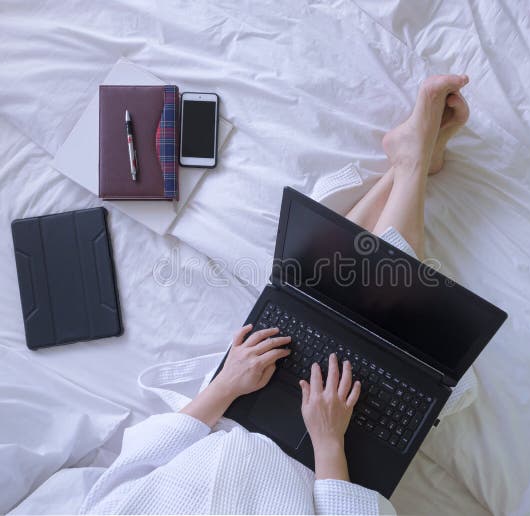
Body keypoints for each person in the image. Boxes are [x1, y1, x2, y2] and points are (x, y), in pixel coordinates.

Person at [79, 74, 470, 515]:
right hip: (320, 461)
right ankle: (411, 163)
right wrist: (327, 441)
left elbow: (136, 467)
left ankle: (408, 165)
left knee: (310, 295)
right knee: (382, 316)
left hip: (233, 410)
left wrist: (225, 385)